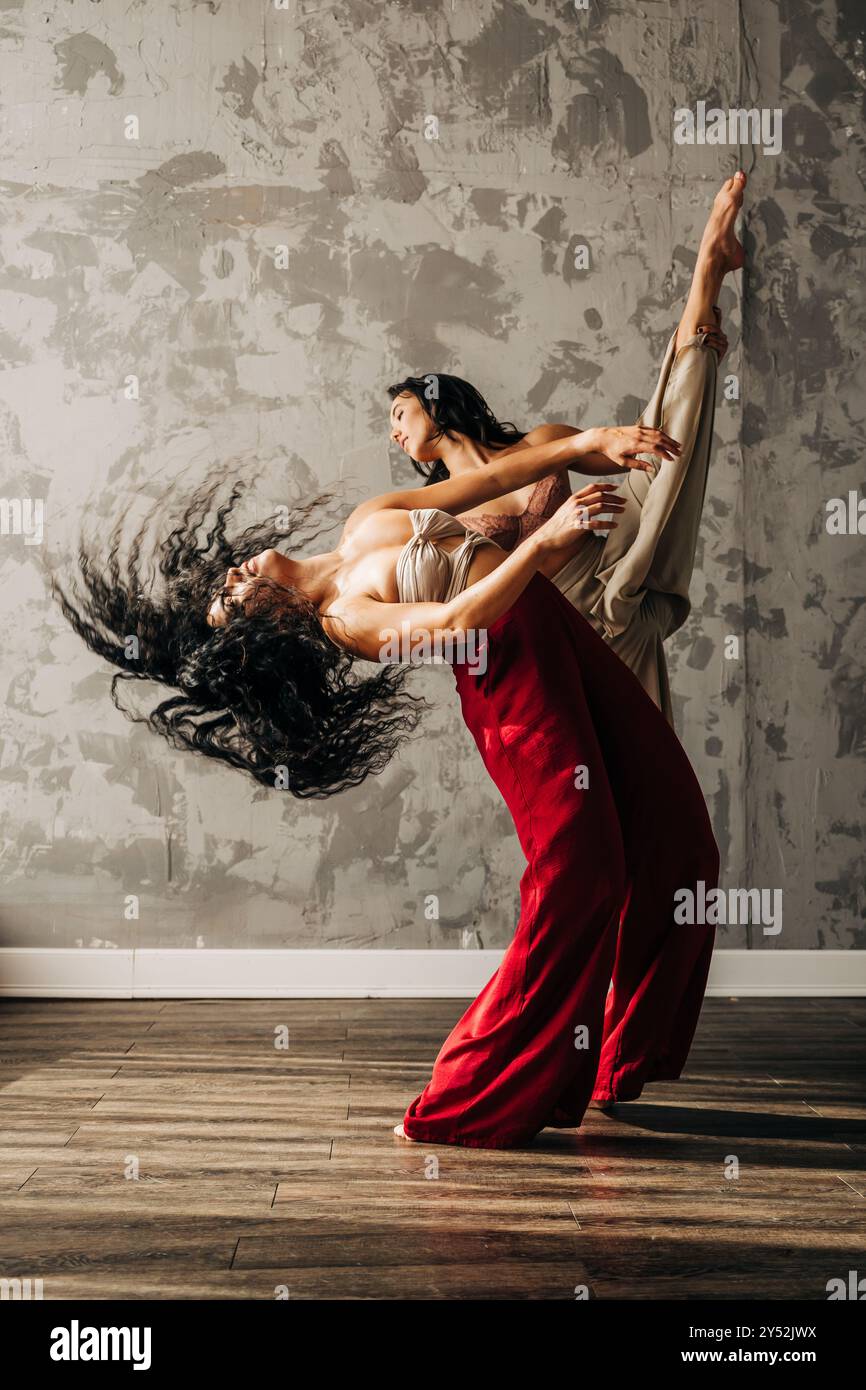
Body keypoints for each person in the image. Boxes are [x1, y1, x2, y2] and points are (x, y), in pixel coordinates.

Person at [58, 399, 719, 1148]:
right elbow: (453, 626)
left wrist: (594, 440)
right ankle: (463, 1097)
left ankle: (621, 1059)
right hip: (511, 675)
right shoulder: (347, 620)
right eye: (229, 603)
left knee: (679, 834)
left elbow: (484, 483)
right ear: (269, 627)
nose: (231, 581)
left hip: (552, 630)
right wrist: (544, 548)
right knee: (583, 875)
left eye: (222, 585)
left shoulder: (365, 523)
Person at [387, 172, 746, 723]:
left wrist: (682, 384)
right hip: (571, 624)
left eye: (399, 411)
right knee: (647, 755)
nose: (395, 431)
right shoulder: (441, 511)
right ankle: (695, 342)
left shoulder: (544, 443)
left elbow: (639, 454)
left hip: (621, 552)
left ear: (436, 402)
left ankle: (707, 272)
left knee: (664, 441)